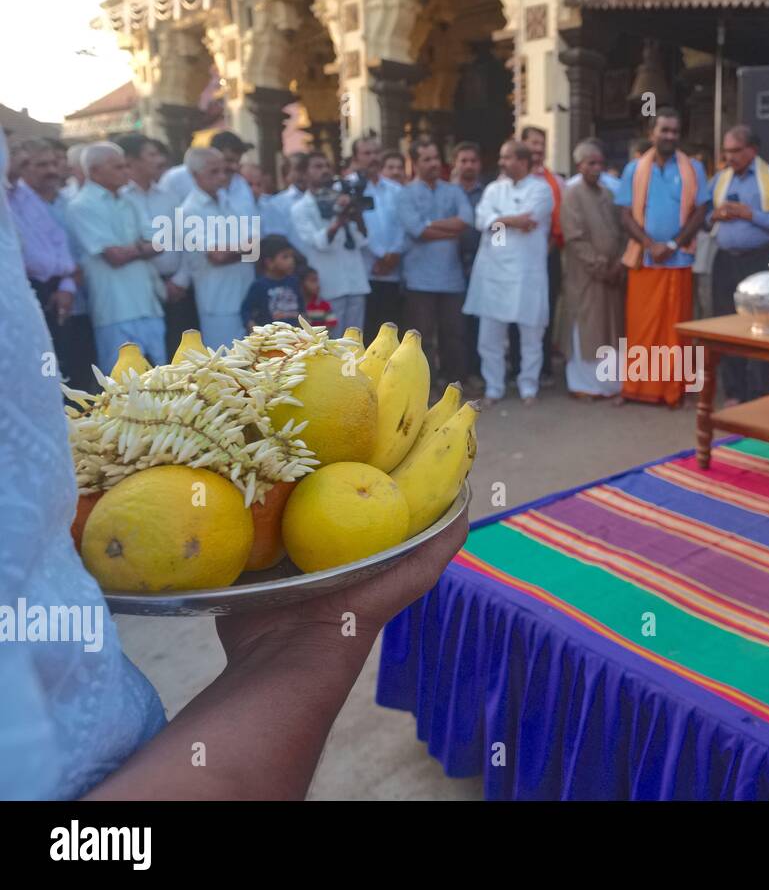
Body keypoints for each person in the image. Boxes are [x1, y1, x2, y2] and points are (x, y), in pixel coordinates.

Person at [0, 126, 469, 799]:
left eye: (231, 164)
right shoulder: (170, 211)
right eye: (217, 163)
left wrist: (300, 644)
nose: (227, 171)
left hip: (123, 739)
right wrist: (308, 641)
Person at [616, 109, 710, 407]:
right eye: (664, 130)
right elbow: (623, 213)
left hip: (678, 260)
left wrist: (672, 243)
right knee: (641, 328)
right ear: (651, 133)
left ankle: (673, 390)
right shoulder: (634, 169)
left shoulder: (693, 168)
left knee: (675, 330)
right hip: (644, 261)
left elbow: (700, 211)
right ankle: (637, 389)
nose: (669, 136)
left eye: (674, 131)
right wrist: (649, 244)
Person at [709, 124, 769, 403]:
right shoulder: (721, 179)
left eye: (735, 151)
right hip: (725, 260)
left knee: (761, 322)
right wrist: (715, 217)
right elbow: (701, 217)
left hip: (759, 259)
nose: (729, 157)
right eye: (726, 151)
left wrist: (752, 215)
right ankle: (733, 390)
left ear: (752, 150)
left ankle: (758, 391)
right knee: (726, 323)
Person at [463, 139, 554, 406]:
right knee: (489, 336)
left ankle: (528, 386)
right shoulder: (493, 189)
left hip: (526, 272)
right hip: (493, 272)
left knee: (531, 333)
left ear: (523, 162)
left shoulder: (541, 190)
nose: (501, 162)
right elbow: (482, 221)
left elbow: (532, 219)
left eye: (507, 157)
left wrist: (499, 220)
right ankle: (494, 387)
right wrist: (511, 221)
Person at [66, 141, 166, 370]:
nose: (126, 172)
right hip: (114, 310)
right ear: (95, 171)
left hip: (148, 305)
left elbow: (161, 243)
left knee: (165, 384)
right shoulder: (81, 206)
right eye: (118, 167)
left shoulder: (129, 200)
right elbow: (114, 257)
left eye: (125, 166)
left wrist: (131, 249)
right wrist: (141, 247)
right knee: (121, 388)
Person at [7, 138, 95, 391]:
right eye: (16, 154)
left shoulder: (24, 196)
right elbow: (21, 257)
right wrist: (65, 275)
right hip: (26, 290)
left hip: (58, 292)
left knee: (68, 368)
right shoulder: (8, 198)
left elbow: (58, 242)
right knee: (38, 373)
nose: (50, 170)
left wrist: (67, 286)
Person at [397, 138, 473, 390]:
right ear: (415, 163)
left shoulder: (453, 191)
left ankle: (454, 384)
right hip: (419, 278)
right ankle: (424, 386)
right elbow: (416, 230)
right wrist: (446, 230)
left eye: (435, 158)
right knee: (422, 338)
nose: (433, 164)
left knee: (454, 335)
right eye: (426, 159)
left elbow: (465, 221)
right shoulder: (405, 194)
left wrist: (429, 224)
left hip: (452, 279)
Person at [558, 139, 626, 400]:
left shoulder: (608, 194)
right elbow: (574, 238)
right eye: (591, 163)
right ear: (580, 166)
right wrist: (600, 267)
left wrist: (618, 263)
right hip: (586, 276)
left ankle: (608, 385)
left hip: (611, 276)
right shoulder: (572, 194)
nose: (597, 168)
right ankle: (583, 386)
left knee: (610, 328)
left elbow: (619, 233)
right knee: (586, 327)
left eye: (600, 163)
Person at [118, 134, 196, 356]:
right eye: (151, 154)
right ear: (131, 160)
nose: (159, 160)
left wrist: (181, 279)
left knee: (181, 354)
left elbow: (187, 239)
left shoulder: (169, 197)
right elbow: (132, 245)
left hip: (178, 288)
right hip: (142, 289)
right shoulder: (121, 199)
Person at [180, 147, 256, 349]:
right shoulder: (189, 211)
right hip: (218, 302)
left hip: (248, 295)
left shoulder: (229, 201)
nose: (222, 177)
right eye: (214, 172)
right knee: (224, 368)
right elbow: (218, 256)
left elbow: (255, 244)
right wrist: (243, 248)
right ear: (195, 175)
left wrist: (237, 249)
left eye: (224, 170)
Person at [290, 151, 371, 333]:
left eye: (327, 166)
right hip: (328, 284)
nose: (325, 170)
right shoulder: (300, 208)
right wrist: (339, 220)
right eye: (318, 166)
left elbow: (362, 239)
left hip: (355, 280)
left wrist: (356, 214)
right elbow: (319, 242)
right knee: (331, 344)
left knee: (355, 340)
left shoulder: (343, 197)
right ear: (304, 173)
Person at [350, 136, 406, 342]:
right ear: (355, 158)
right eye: (367, 153)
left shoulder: (396, 190)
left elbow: (402, 225)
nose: (373, 158)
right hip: (365, 270)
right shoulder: (347, 189)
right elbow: (355, 228)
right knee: (365, 331)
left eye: (376, 153)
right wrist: (381, 255)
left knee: (390, 332)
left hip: (392, 271)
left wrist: (394, 254)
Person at [522, 125, 564, 381]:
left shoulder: (557, 182)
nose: (538, 149)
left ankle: (544, 367)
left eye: (542, 144)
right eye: (533, 143)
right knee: (518, 310)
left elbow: (561, 221)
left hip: (549, 255)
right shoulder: (509, 183)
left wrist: (548, 248)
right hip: (519, 258)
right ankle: (517, 366)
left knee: (544, 309)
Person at [450, 142, 486, 391]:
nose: (468, 165)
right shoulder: (447, 193)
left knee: (478, 322)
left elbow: (497, 229)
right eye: (464, 160)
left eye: (472, 160)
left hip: (482, 263)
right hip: (449, 263)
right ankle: (455, 373)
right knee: (454, 322)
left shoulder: (488, 193)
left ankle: (476, 371)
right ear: (456, 163)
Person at [160, 129, 257, 218]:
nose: (234, 167)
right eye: (229, 160)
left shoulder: (239, 182)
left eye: (238, 162)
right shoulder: (175, 178)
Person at [240, 235, 303, 330]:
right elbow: (246, 311)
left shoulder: (294, 281)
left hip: (294, 336)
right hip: (271, 340)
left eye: (292, 256)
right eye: (285, 257)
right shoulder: (260, 285)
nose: (291, 261)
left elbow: (302, 309)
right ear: (269, 262)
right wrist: (256, 330)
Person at [300, 266, 337, 331]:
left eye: (317, 281)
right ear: (301, 283)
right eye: (312, 281)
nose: (317, 285)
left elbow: (331, 323)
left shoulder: (323, 305)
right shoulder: (296, 305)